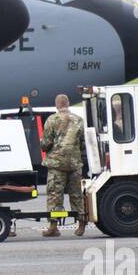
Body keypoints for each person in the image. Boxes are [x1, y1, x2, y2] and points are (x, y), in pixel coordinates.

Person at [39, 94, 87, 236]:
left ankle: (53, 227)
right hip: (74, 163)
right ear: (68, 103)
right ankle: (81, 225)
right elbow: (83, 143)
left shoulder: (52, 120)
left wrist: (44, 146)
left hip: (56, 164)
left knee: (55, 195)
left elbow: (46, 143)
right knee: (76, 194)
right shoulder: (78, 120)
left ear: (57, 105)